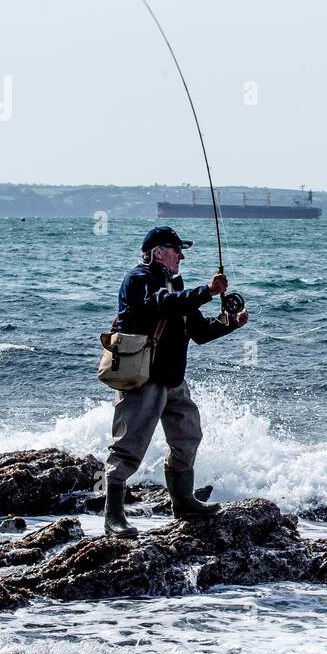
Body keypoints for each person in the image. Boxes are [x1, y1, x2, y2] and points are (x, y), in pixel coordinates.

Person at [103, 226, 248, 538]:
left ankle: (183, 503)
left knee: (187, 436)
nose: (182, 255)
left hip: (172, 379)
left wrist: (231, 322)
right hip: (143, 378)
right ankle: (113, 517)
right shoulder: (139, 279)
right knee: (128, 446)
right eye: (176, 249)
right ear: (158, 253)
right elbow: (162, 304)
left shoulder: (176, 285)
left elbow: (199, 332)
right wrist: (207, 292)